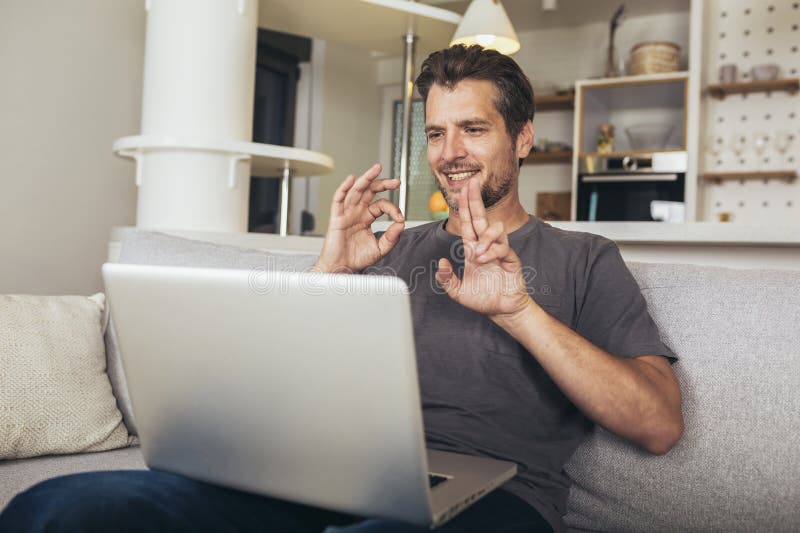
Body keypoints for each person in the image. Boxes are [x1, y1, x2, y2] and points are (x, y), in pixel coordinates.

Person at [0, 45, 682, 533]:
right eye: (437, 132)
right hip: (325, 480)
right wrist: (330, 273)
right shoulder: (390, 247)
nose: (450, 152)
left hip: (493, 500)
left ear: (523, 138)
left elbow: (658, 423)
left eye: (474, 128)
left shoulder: (583, 258)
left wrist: (520, 310)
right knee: (62, 508)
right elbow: (260, 387)